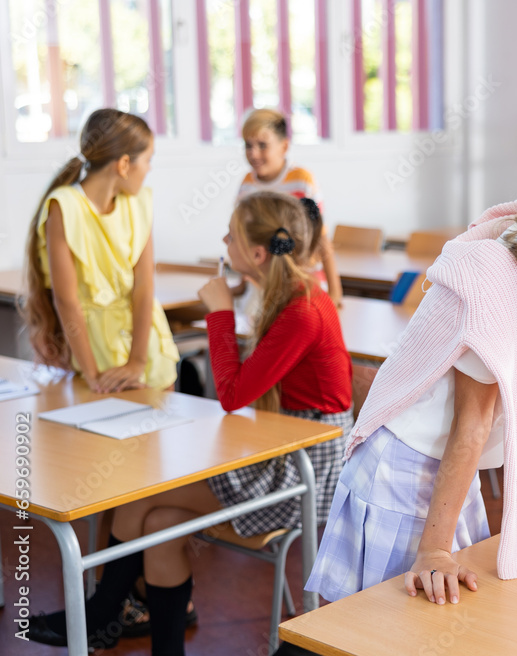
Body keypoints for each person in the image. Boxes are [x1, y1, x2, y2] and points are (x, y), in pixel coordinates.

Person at [306, 163, 517, 606]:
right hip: (406, 465)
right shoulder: (496, 290)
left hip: (452, 469)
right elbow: (473, 423)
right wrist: (433, 550)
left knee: (439, 618)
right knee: (383, 625)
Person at [27, 192, 353, 655]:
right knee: (161, 525)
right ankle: (127, 626)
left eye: (232, 236)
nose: (223, 241)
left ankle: (101, 613)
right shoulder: (286, 293)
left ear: (258, 255)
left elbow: (233, 394)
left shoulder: (302, 308)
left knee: (147, 494)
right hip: (285, 442)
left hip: (308, 464)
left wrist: (218, 310)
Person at [21, 108, 179, 392]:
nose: (150, 168)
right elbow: (66, 300)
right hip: (94, 352)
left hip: (147, 348)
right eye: (148, 160)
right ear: (124, 164)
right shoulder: (64, 206)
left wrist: (137, 361)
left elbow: (144, 287)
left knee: (155, 430)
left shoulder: (139, 202)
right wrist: (93, 375)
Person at [237, 108, 342, 308]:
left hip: (305, 281)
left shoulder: (301, 181)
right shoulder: (247, 185)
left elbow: (321, 238)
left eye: (262, 145)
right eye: (248, 145)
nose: (253, 153)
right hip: (263, 284)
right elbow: (245, 239)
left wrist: (336, 293)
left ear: (284, 147)